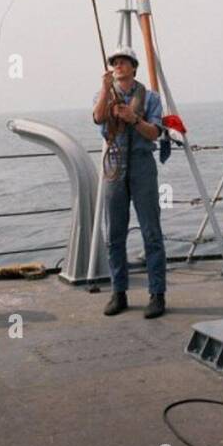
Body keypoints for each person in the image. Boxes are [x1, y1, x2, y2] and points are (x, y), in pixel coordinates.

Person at [93, 47, 168, 319]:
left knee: (151, 231)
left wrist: (133, 118)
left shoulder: (150, 98)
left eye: (123, 62)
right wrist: (104, 90)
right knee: (114, 233)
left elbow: (155, 133)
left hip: (142, 165)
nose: (118, 66)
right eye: (115, 63)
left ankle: (157, 294)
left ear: (134, 67)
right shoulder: (104, 94)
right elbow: (98, 117)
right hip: (114, 163)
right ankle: (118, 292)